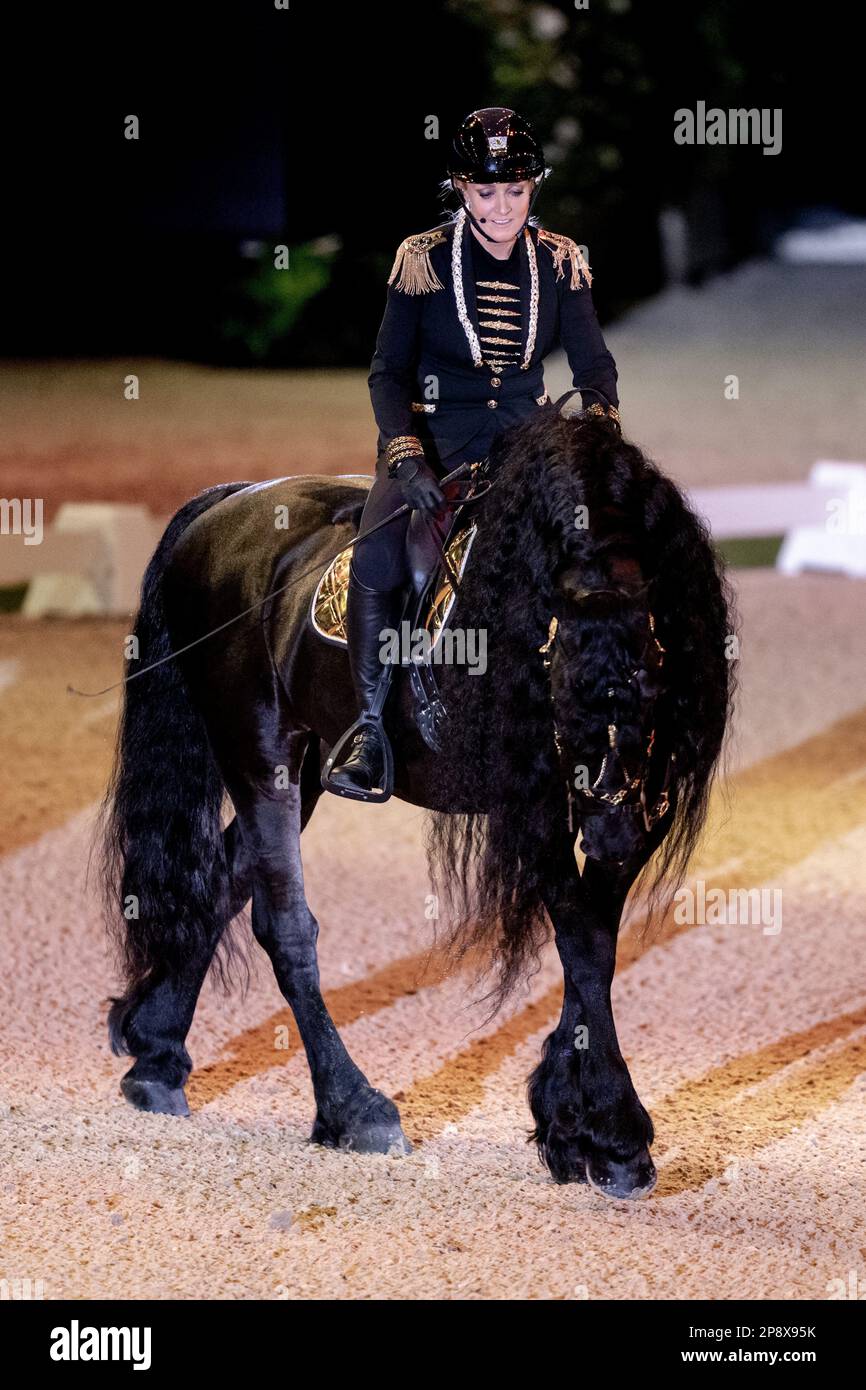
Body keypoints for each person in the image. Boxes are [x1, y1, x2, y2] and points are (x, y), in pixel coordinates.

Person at [325, 106, 621, 797]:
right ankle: (368, 732)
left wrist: (600, 430)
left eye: (516, 190)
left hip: (528, 439)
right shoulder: (421, 260)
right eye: (486, 192)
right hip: (434, 440)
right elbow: (387, 373)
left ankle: (600, 720)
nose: (503, 207)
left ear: (534, 187)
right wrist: (405, 456)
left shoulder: (560, 260)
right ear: (461, 188)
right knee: (376, 555)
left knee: (593, 547)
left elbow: (594, 368)